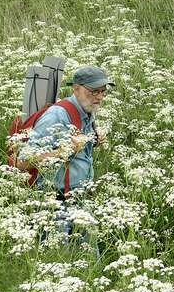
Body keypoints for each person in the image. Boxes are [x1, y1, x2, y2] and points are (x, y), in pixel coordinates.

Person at [22, 65, 111, 200]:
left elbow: (79, 148)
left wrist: (94, 140)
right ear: (76, 88)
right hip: (56, 199)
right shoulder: (56, 116)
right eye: (94, 91)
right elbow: (23, 161)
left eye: (103, 91)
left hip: (80, 195)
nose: (100, 97)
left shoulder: (87, 110)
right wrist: (64, 151)